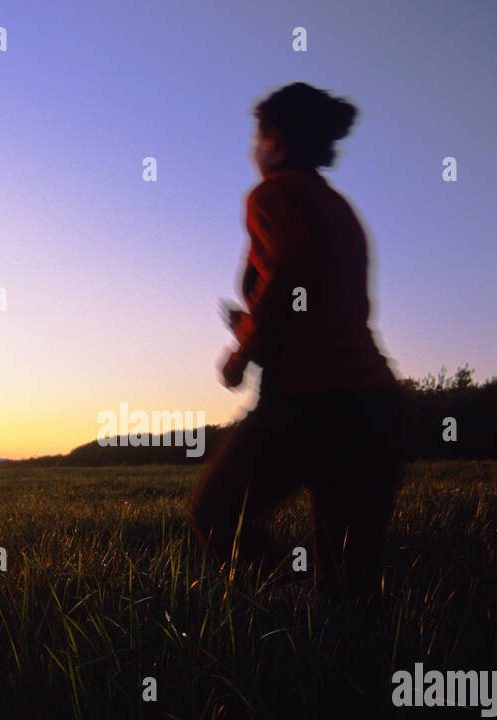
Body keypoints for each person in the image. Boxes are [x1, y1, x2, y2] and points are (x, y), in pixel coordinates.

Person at [188, 82, 403, 623]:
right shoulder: (338, 207)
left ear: (275, 139)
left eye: (256, 137)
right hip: (375, 404)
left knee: (215, 515)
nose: (251, 150)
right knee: (351, 590)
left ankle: (280, 615)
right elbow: (321, 302)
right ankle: (334, 649)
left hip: (312, 401)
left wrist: (241, 351)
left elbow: (293, 272)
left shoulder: (272, 193)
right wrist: (255, 322)